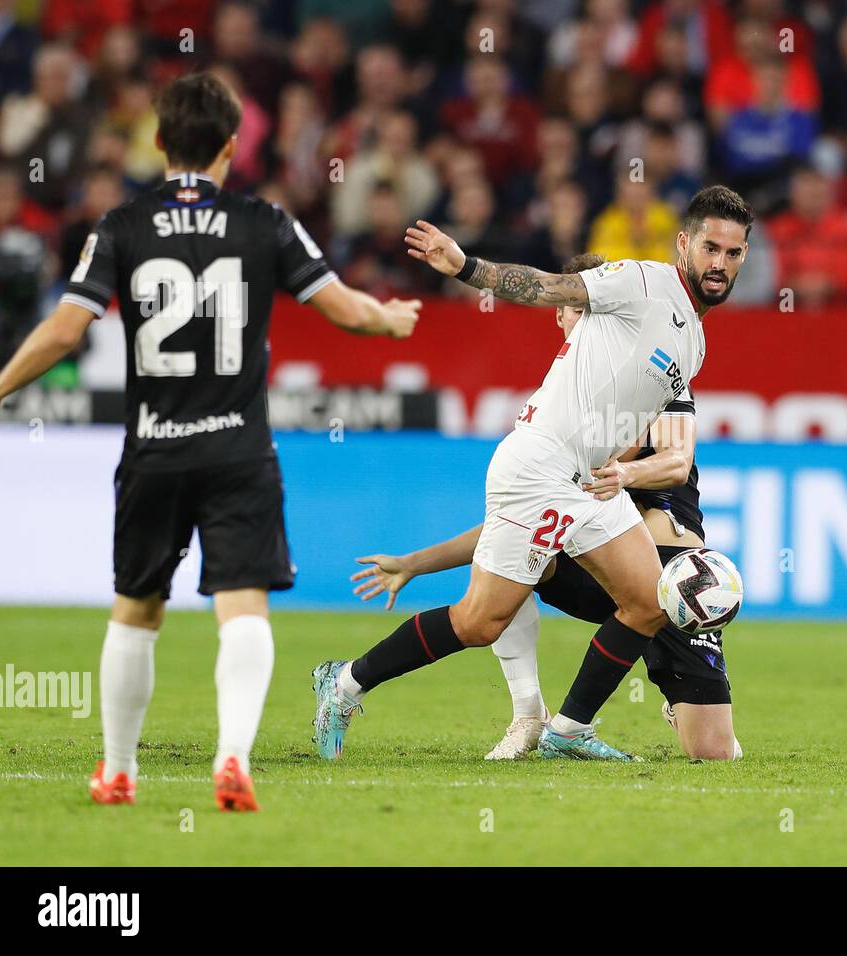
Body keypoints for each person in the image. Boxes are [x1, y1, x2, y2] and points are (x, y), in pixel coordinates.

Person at [0, 73, 421, 811]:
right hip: (238, 451)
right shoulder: (265, 222)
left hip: (154, 447)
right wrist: (390, 318)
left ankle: (119, 771)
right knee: (243, 607)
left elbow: (66, 329)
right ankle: (231, 760)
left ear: (157, 142)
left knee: (136, 611)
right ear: (230, 146)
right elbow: (344, 309)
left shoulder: (120, 225)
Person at [311, 185, 752, 762]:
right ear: (683, 244)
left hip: (588, 480)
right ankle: (344, 684)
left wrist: (621, 472)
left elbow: (651, 435)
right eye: (710, 247)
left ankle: (567, 730)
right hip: (539, 468)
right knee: (478, 622)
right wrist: (466, 266)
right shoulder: (642, 281)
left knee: (650, 602)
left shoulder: (693, 340)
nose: (719, 264)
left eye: (733, 253)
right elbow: (549, 287)